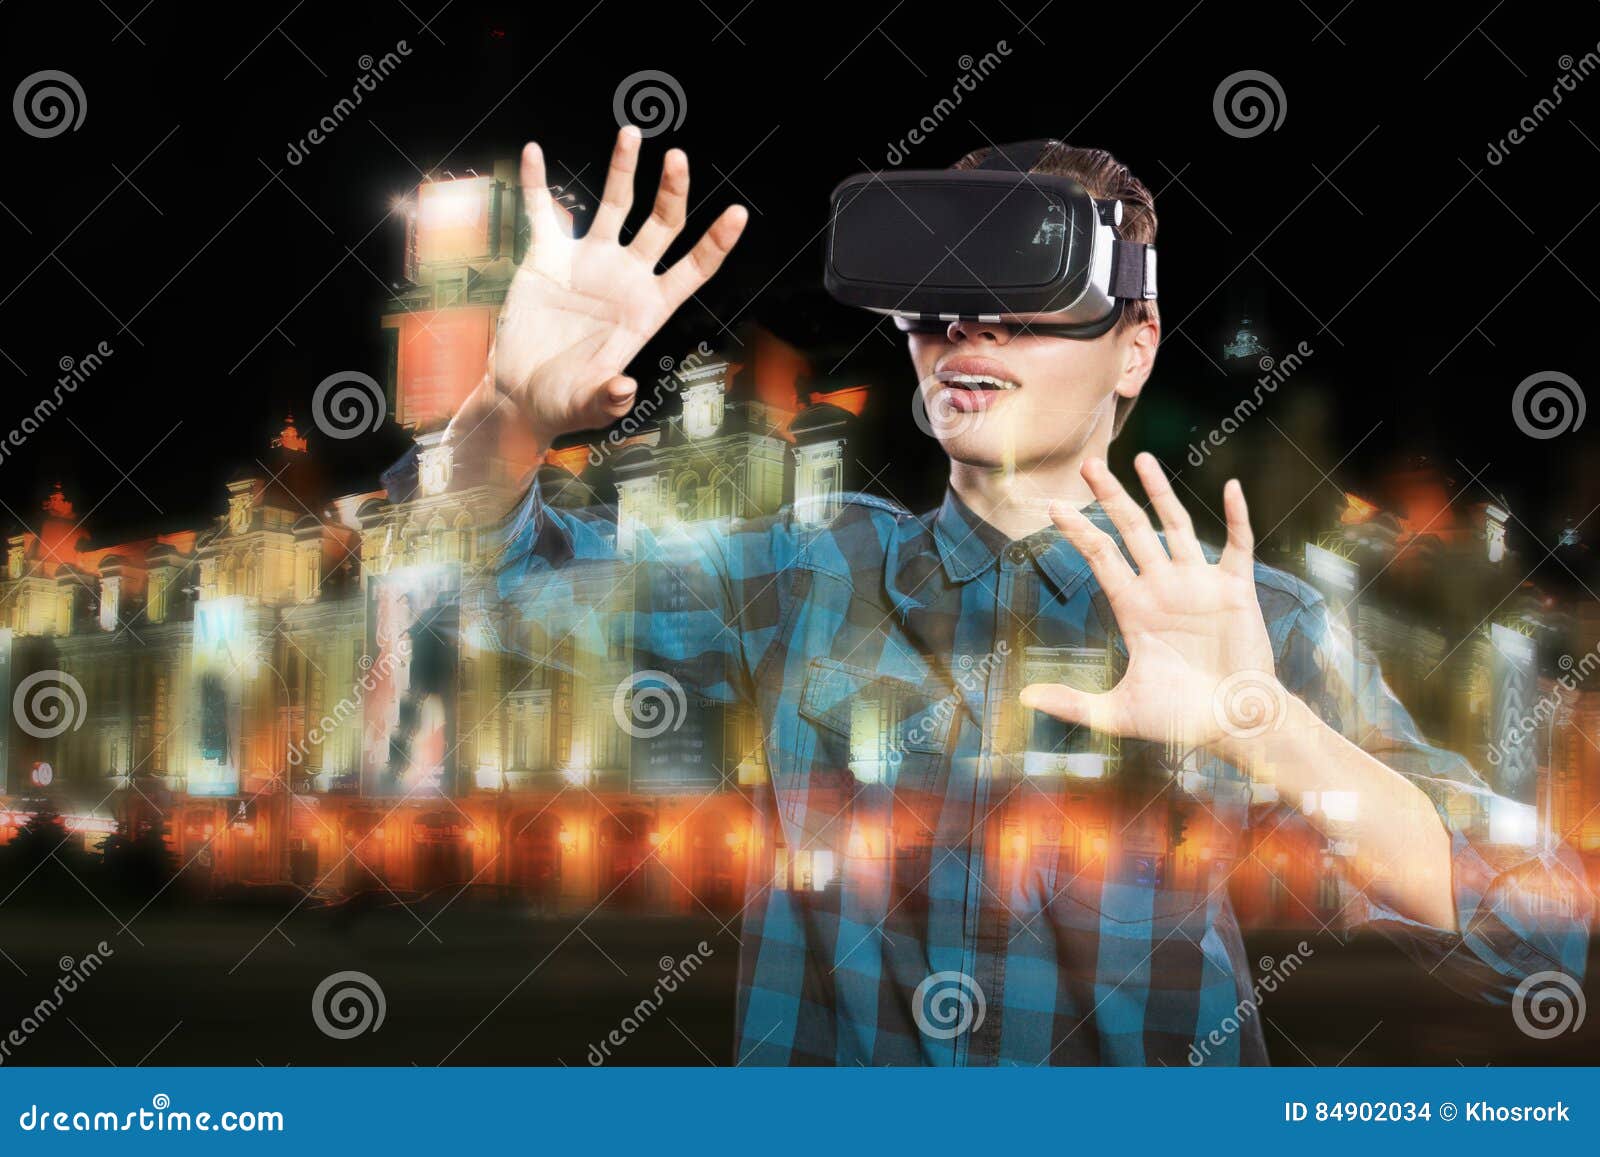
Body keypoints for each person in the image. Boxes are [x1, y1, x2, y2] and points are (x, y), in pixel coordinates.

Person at [444, 126, 1590, 1065]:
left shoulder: (1257, 622)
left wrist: (1264, 724)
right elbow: (482, 582)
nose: (964, 328)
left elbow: (1538, 927)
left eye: (1018, 291)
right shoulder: (802, 574)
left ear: (1132, 348)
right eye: (936, 298)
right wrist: (509, 411)